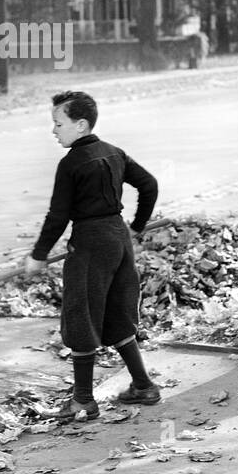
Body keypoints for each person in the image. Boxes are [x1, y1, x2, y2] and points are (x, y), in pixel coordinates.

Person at [24, 90, 160, 422]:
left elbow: (58, 216)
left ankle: (83, 401)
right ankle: (143, 386)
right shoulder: (113, 153)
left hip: (89, 243)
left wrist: (39, 255)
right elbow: (150, 185)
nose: (54, 131)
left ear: (81, 124)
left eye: (58, 124)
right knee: (116, 312)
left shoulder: (71, 163)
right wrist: (136, 227)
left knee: (81, 314)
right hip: (117, 238)